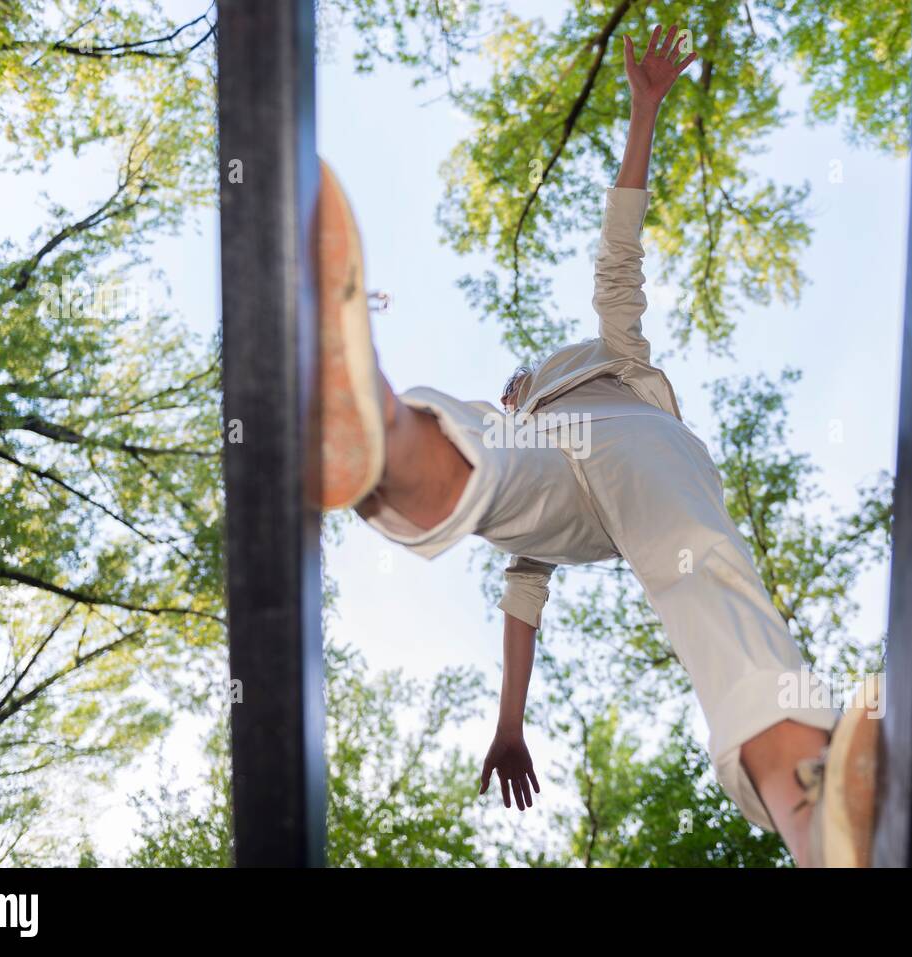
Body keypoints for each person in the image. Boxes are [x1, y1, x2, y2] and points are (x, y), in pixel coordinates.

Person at [310, 24, 882, 867]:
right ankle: (375, 433)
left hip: (634, 451)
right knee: (490, 461)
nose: (514, 383)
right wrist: (508, 723)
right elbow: (522, 594)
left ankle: (811, 802)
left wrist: (643, 113)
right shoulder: (503, 422)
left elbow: (620, 261)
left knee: (701, 566)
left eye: (521, 377)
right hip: (537, 482)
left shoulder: (609, 360)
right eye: (513, 384)